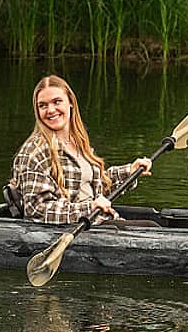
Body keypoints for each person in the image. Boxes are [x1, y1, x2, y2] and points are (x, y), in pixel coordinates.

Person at [10, 75, 151, 224]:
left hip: (101, 222)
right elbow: (37, 210)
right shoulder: (34, 153)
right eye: (43, 105)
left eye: (57, 102)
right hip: (77, 229)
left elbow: (95, 187)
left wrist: (130, 171)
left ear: (70, 102)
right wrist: (89, 207)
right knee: (151, 227)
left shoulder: (79, 143)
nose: (50, 110)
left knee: (154, 226)